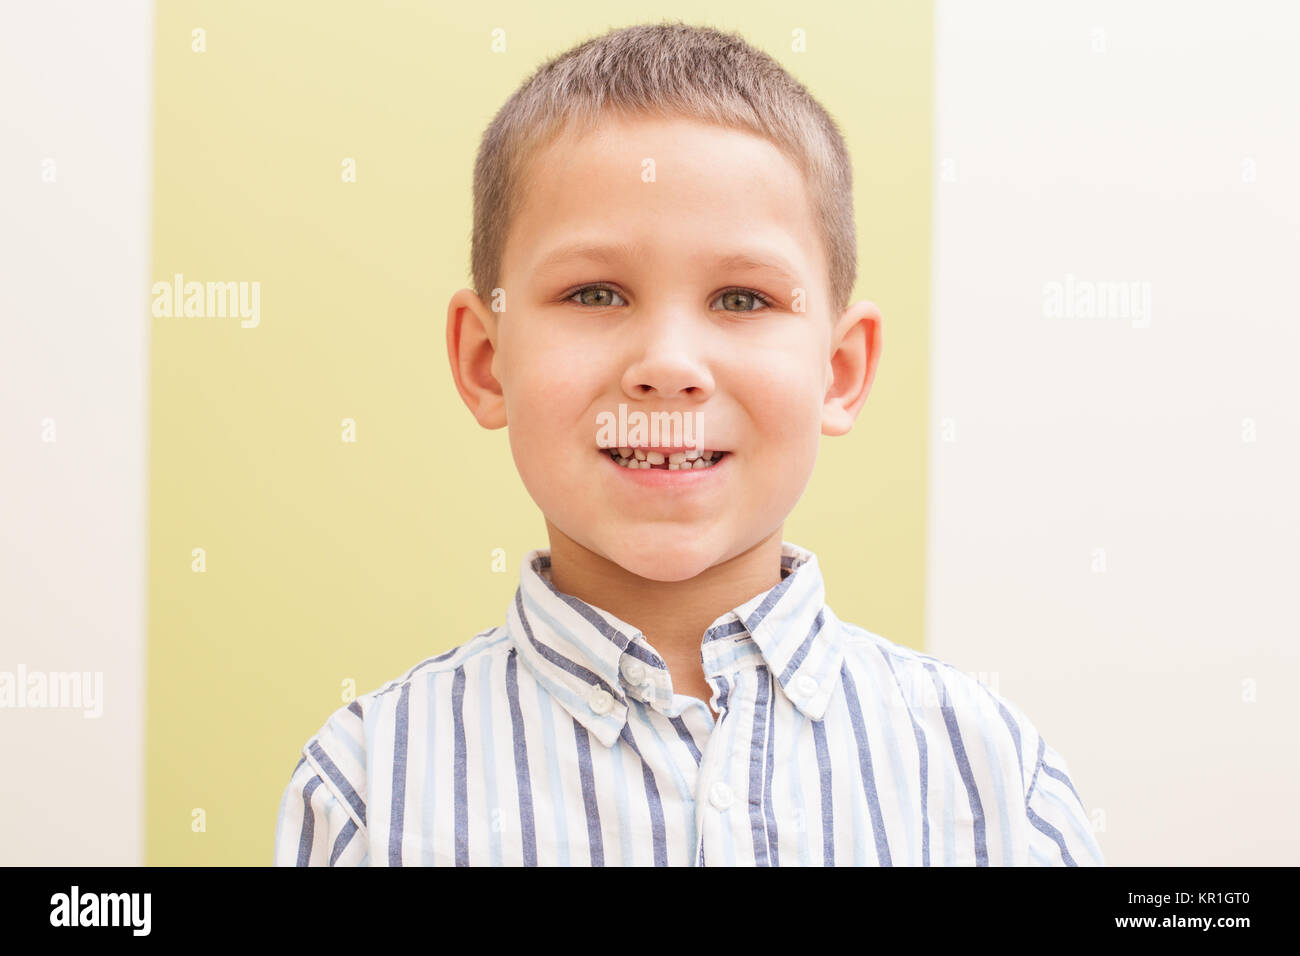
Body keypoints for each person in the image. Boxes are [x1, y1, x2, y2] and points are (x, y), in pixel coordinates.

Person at [274, 21, 1103, 867]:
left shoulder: (989, 780)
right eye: (595, 292)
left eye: (742, 300)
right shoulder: (370, 790)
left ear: (840, 370)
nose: (668, 366)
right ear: (487, 361)